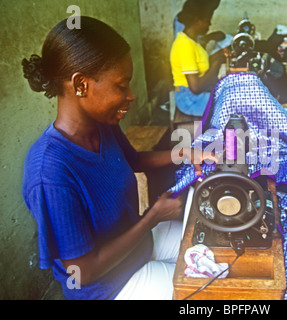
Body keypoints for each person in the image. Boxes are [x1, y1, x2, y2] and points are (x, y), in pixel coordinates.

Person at [21, 16, 215, 300]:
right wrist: (151, 218)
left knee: (217, 253)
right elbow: (83, 271)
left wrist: (184, 153)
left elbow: (132, 160)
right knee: (215, 294)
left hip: (137, 245)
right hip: (110, 286)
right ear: (80, 85)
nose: (132, 96)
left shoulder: (102, 125)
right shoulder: (50, 172)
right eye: (122, 86)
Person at [170, 0, 226, 117]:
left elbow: (200, 63)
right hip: (190, 99)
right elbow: (196, 87)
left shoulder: (193, 41)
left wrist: (219, 55)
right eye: (207, 21)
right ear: (197, 21)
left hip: (195, 95)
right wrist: (216, 65)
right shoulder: (185, 45)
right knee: (234, 105)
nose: (209, 25)